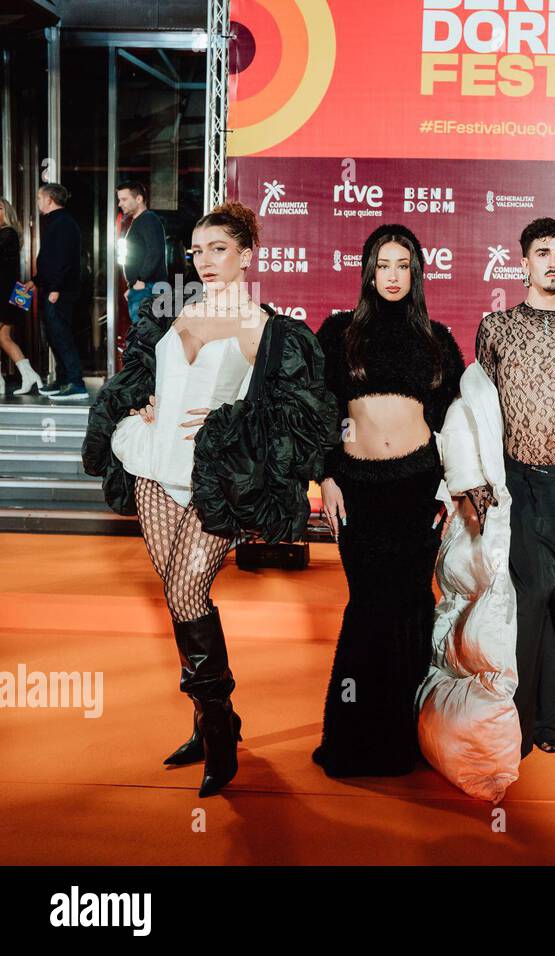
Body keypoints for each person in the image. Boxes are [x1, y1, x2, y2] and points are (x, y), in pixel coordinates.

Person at [81, 201, 336, 798]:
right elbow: (152, 378)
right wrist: (145, 404)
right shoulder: (174, 316)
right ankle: (211, 720)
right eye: (197, 251)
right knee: (177, 593)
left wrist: (236, 419)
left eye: (218, 248)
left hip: (214, 478)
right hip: (154, 463)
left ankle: (219, 734)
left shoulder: (262, 327)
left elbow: (292, 410)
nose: (206, 261)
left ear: (247, 254)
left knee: (187, 589)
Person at [414, 217, 555, 802]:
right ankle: (524, 719)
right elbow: (474, 408)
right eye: (543, 253)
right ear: (525, 263)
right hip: (522, 486)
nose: (554, 262)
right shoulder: (496, 328)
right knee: (526, 601)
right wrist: (473, 481)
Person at [311, 224, 465, 778]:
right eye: (383, 265)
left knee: (409, 608)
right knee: (368, 607)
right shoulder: (339, 333)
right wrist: (326, 476)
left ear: (416, 273)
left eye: (403, 266)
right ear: (368, 272)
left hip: (417, 488)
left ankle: (405, 738)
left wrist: (450, 488)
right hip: (359, 490)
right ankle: (353, 740)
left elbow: (455, 422)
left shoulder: (436, 340)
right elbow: (320, 410)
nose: (393, 276)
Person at [24, 184, 85, 402]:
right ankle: (63, 380)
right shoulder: (57, 222)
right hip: (52, 288)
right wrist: (35, 282)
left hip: (59, 291)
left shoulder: (63, 223)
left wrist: (56, 288)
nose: (38, 202)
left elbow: (63, 260)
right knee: (53, 336)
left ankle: (76, 383)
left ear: (50, 200)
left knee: (61, 336)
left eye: (40, 198)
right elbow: (51, 261)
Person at [0, 198, 42, 395]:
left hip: (5, 295)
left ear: (5, 211)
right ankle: (29, 375)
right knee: (4, 338)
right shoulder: (7, 235)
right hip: (9, 294)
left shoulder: (7, 234)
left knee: (4, 337)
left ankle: (24, 377)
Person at [116, 181, 168, 326]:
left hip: (147, 287)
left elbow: (155, 252)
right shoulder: (141, 220)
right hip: (143, 287)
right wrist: (133, 286)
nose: (120, 203)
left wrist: (140, 281)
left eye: (124, 199)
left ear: (138, 199)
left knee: (144, 337)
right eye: (119, 199)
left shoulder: (148, 219)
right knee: (143, 336)